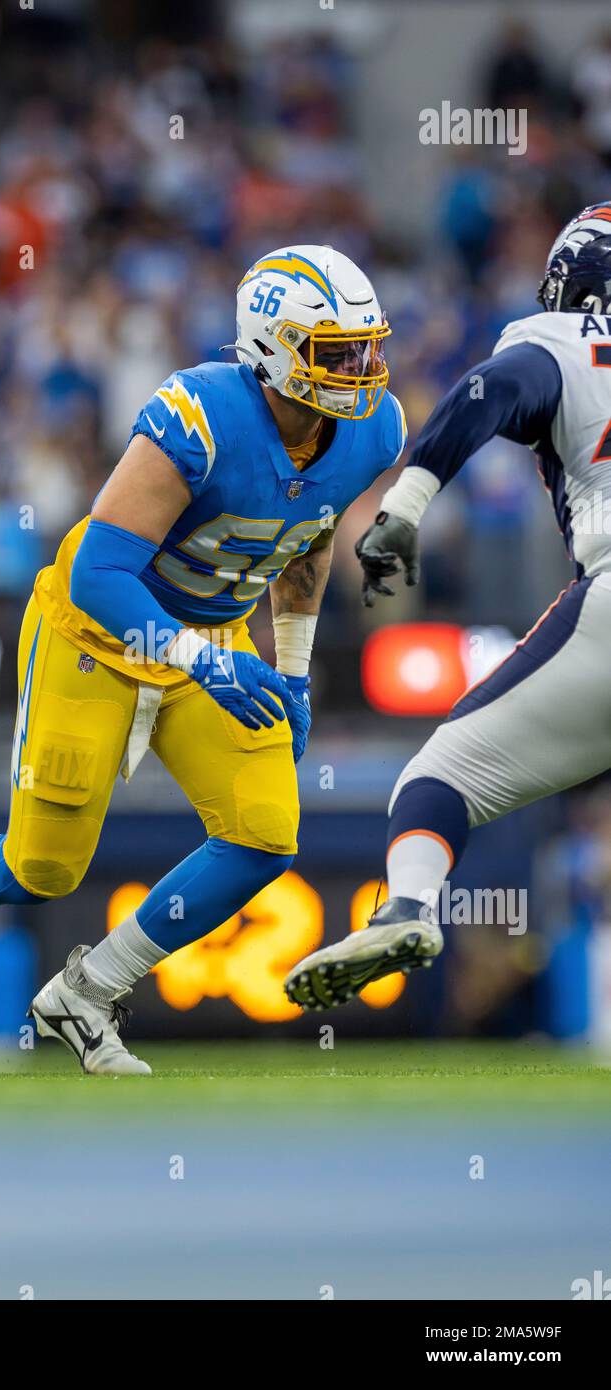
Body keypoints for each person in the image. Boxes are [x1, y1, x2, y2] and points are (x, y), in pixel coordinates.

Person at [0, 244, 405, 1070]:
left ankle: (87, 993)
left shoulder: (372, 431)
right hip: (100, 636)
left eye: (366, 346)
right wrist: (202, 660)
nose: (361, 370)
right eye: (336, 352)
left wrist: (293, 670)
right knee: (41, 868)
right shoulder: (200, 415)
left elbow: (309, 540)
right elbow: (98, 576)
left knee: (266, 835)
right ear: (272, 348)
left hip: (216, 639)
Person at [285, 204, 611, 1012]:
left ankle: (408, 908)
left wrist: (407, 502)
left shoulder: (564, 344)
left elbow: (488, 390)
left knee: (441, 777)